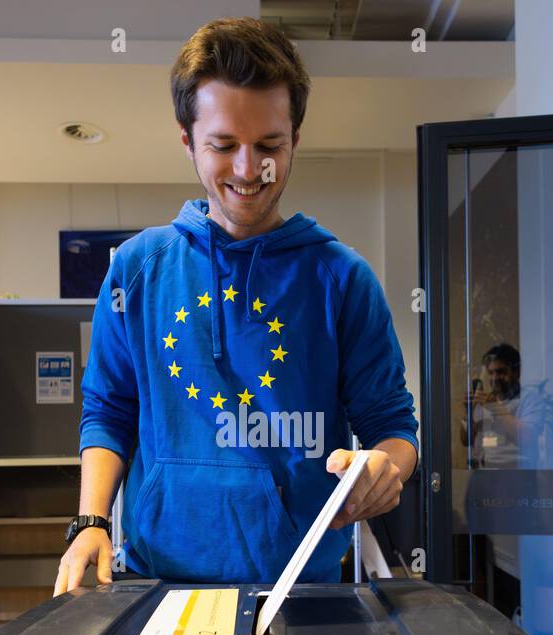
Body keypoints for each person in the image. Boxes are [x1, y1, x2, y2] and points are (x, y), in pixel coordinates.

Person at [56, 17, 417, 595]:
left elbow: (393, 427)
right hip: (155, 583)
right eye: (224, 146)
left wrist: (385, 469)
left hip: (302, 588)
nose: (250, 171)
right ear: (187, 140)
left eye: (269, 145)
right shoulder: (136, 270)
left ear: (295, 138)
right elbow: (109, 411)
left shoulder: (343, 279)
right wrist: (91, 522)